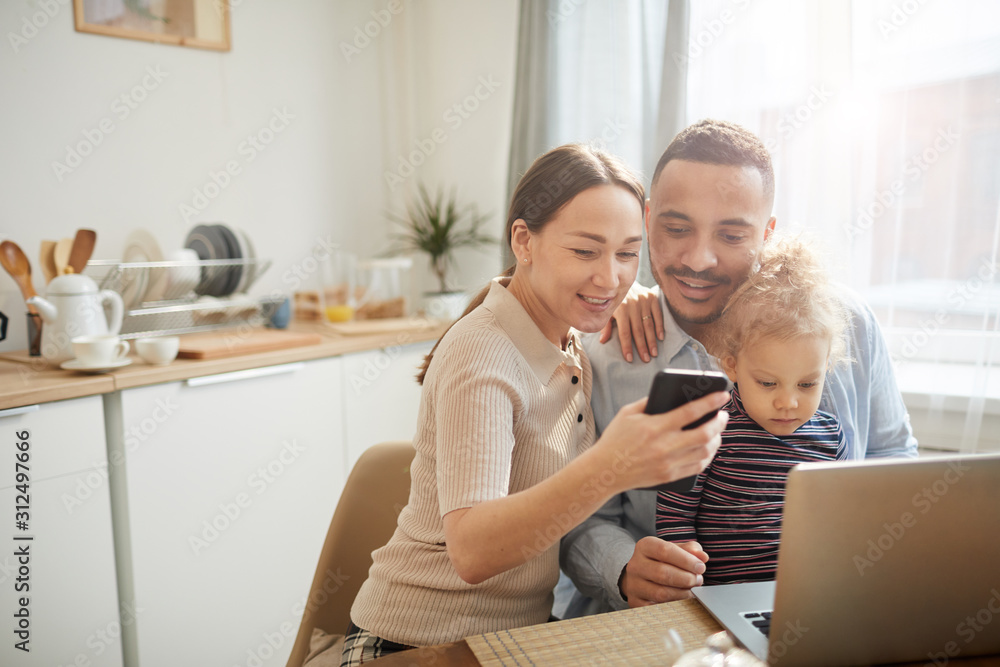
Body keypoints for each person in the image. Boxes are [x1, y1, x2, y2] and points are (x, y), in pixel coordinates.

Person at [341, 143, 730, 665]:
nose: (610, 277)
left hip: (514, 638)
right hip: (415, 644)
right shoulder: (483, 352)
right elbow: (473, 552)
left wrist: (633, 292)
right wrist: (612, 466)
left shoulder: (566, 342)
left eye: (627, 253)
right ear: (524, 241)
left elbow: (610, 281)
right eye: (585, 251)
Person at [559, 120, 918, 617]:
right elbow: (576, 518)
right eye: (676, 228)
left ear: (767, 233)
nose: (699, 259)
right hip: (654, 625)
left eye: (731, 234)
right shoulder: (601, 352)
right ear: (646, 220)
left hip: (817, 610)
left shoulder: (847, 324)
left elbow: (892, 455)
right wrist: (621, 567)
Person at [656, 234, 851, 584]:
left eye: (807, 384)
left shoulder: (831, 438)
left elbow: (839, 520)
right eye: (767, 383)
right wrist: (684, 561)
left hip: (798, 596)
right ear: (732, 367)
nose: (788, 402)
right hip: (715, 597)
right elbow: (674, 516)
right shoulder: (708, 428)